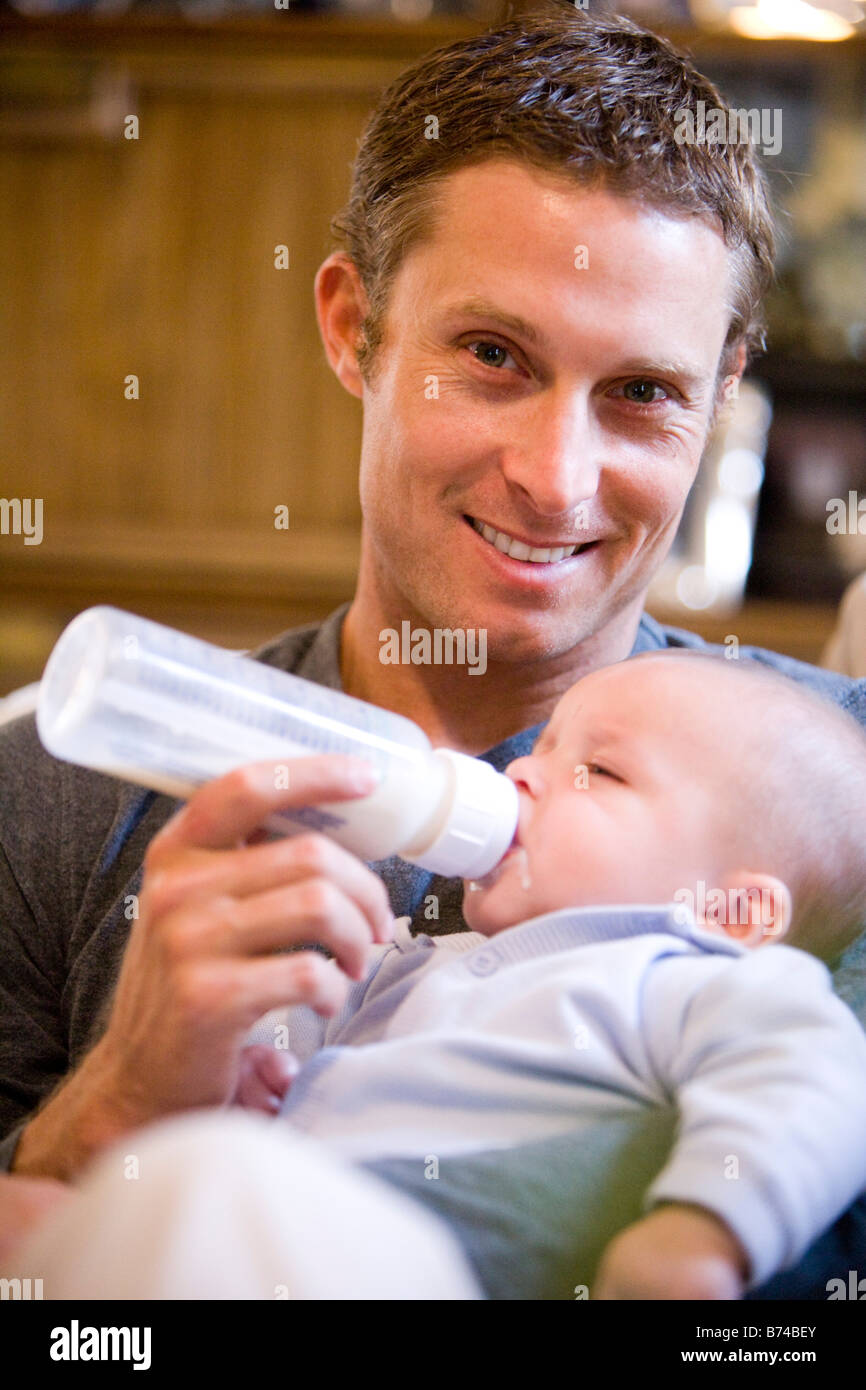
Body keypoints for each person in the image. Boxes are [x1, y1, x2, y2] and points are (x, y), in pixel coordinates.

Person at [1, 7, 865, 1298]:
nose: (554, 480)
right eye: (491, 355)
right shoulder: (62, 791)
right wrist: (123, 1096)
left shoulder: (825, 811)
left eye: (641, 392)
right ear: (355, 329)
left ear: (724, 386)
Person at [5, 650, 866, 1299]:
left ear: (736, 912)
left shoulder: (694, 982)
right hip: (276, 1248)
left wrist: (706, 1233)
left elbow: (816, 1083)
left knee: (207, 1184)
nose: (520, 770)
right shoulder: (415, 961)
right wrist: (253, 1074)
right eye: (547, 743)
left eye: (596, 771)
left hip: (407, 1267)